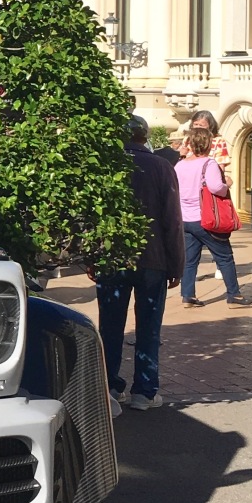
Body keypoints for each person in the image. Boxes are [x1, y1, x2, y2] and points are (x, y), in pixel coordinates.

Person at [95, 116, 185, 413]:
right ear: (144, 136)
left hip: (114, 257)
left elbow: (92, 215)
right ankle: (144, 391)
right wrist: (176, 265)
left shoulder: (106, 165)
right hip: (153, 258)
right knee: (149, 326)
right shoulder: (161, 167)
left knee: (110, 326)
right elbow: (172, 219)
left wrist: (92, 255)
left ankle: (107, 386)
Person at [175, 125, 252, 308]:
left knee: (190, 259)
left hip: (186, 218)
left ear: (191, 144)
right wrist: (228, 184)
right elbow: (216, 187)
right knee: (224, 256)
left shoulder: (180, 165)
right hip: (205, 219)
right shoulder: (208, 164)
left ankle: (188, 295)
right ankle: (234, 295)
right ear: (209, 145)